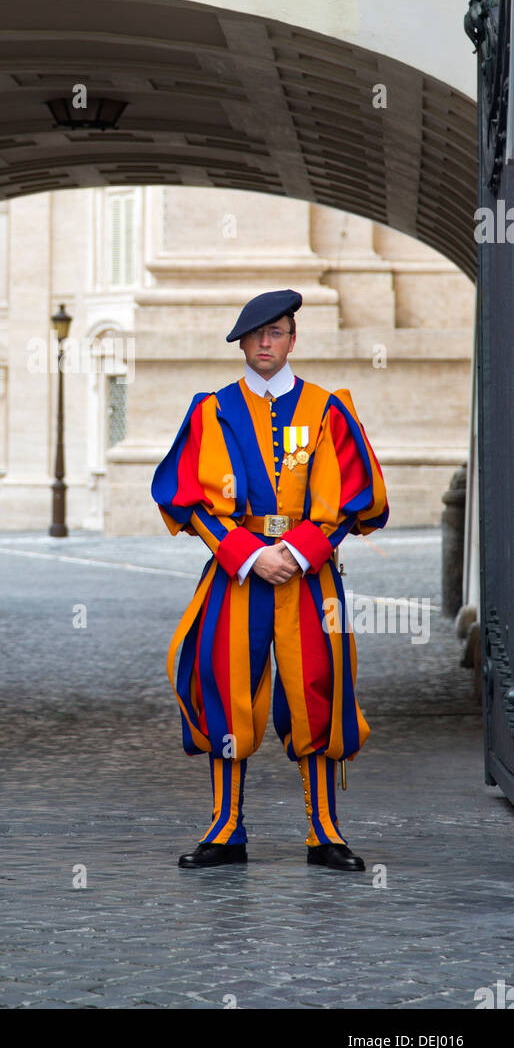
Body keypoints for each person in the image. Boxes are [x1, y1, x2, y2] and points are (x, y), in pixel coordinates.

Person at [150, 288, 388, 872]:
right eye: (255, 334)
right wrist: (248, 554)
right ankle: (225, 828)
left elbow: (357, 503)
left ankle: (324, 831)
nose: (265, 343)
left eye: (276, 332)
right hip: (237, 577)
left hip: (310, 579)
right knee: (225, 691)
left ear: (292, 338)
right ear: (241, 342)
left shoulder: (327, 411)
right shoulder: (212, 411)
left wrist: (301, 553)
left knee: (318, 690)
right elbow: (188, 500)